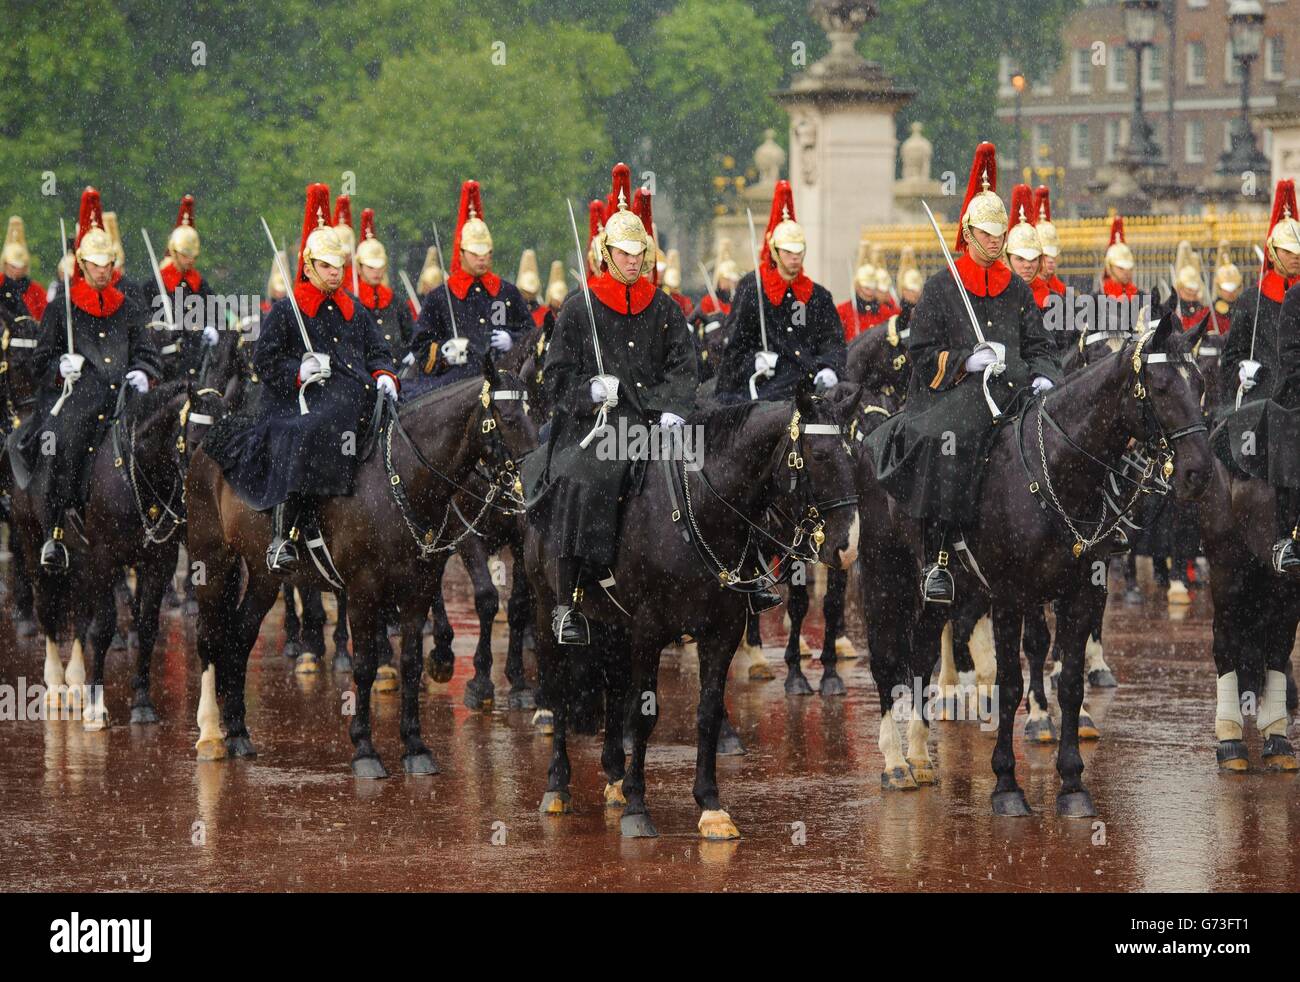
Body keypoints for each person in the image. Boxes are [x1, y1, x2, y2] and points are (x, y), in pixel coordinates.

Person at [865, 141, 1062, 604]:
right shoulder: (941, 287)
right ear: (969, 234)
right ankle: (939, 553)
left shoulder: (1016, 288)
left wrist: (1044, 375)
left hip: (1013, 391)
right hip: (954, 394)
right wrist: (963, 361)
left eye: (1000, 235)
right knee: (944, 439)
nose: (996, 242)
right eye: (988, 234)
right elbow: (921, 351)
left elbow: (1039, 345)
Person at [528, 162, 697, 644]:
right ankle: (571, 598)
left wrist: (671, 409)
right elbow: (554, 381)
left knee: (707, 467)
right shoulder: (580, 308)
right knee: (587, 476)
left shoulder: (664, 308)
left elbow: (685, 369)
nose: (631, 260)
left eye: (638, 252)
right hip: (597, 425)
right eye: (623, 252)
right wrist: (590, 391)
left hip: (654, 421)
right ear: (607, 254)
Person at [202, 182, 398, 574]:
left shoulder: (354, 310)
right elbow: (265, 361)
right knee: (306, 430)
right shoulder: (287, 311)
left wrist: (385, 374)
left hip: (353, 395)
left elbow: (378, 350)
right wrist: (299, 372)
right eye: (326, 266)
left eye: (339, 266)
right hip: (298, 401)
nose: (335, 273)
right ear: (308, 266)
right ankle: (283, 534)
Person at [10, 187, 162, 569]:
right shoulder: (60, 308)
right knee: (60, 442)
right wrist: (60, 366)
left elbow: (147, 352)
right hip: (75, 397)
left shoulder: (127, 307)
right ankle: (55, 532)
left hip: (123, 398)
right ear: (81, 263)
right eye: (95, 263)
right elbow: (38, 363)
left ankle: (160, 524)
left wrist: (143, 373)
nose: (103, 270)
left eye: (108, 263)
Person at [715, 179, 843, 402]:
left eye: (799, 251)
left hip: (811, 387)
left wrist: (829, 368)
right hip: (766, 389)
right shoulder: (753, 289)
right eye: (788, 252)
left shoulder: (819, 296)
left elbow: (833, 341)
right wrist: (754, 361)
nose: (795, 257)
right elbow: (734, 347)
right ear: (775, 251)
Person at [404, 180, 531, 389]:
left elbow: (530, 334)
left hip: (503, 380)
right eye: (475, 254)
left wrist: (513, 340)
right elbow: (420, 346)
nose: (481, 259)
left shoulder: (507, 292)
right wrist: (445, 351)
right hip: (455, 383)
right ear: (461, 253)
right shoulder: (440, 297)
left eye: (486, 253)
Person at [151, 194, 219, 382]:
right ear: (173, 252)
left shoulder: (199, 283)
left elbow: (215, 309)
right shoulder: (157, 283)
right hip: (167, 357)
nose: (190, 260)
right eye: (185, 255)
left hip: (195, 353)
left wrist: (213, 326)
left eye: (193, 256)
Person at [354, 207, 415, 354]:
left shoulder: (396, 302)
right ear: (359, 267)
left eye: (380, 266)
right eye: (371, 267)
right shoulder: (353, 302)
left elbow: (409, 337)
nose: (377, 271)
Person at [0, 216, 47, 322]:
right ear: (6, 264)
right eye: (13, 266)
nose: (17, 270)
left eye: (20, 266)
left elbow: (44, 318)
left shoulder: (36, 290)